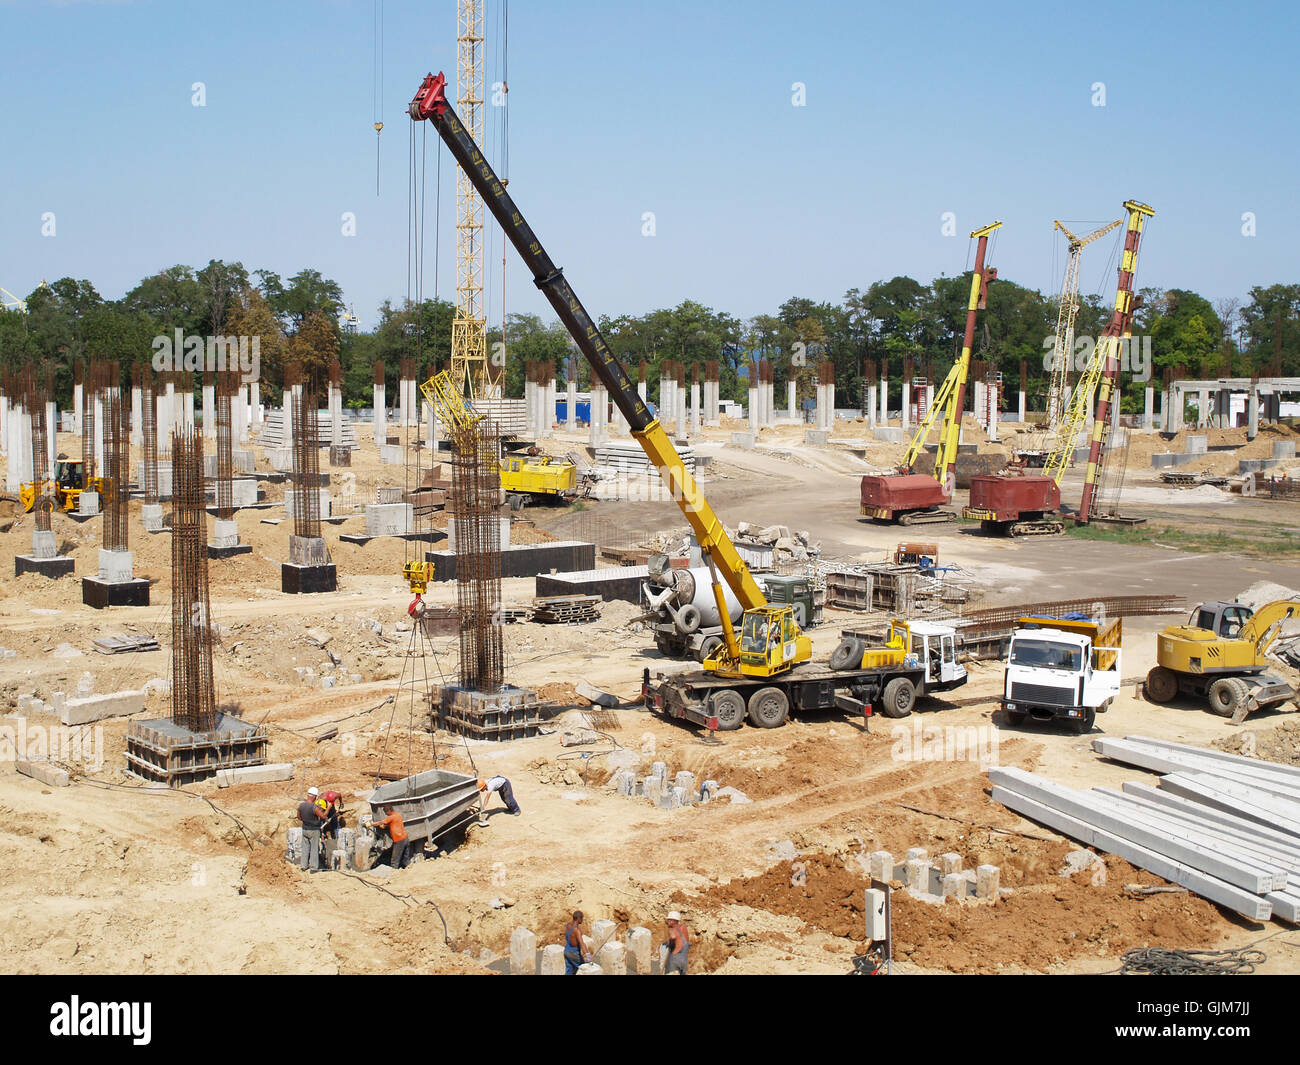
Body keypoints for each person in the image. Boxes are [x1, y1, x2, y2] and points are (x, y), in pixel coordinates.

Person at [296, 787, 326, 873]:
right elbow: (323, 816)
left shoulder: (301, 805)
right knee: (314, 848)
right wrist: (328, 808)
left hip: (305, 829)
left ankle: (303, 866)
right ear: (314, 797)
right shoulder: (314, 807)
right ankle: (313, 868)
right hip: (314, 830)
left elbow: (299, 817)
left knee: (305, 848)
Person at [372, 805, 410, 869]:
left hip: (399, 840)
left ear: (389, 811)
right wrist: (386, 827)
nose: (386, 814)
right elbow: (395, 824)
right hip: (405, 838)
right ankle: (408, 867)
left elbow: (381, 822)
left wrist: (371, 824)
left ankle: (394, 873)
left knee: (394, 860)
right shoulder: (398, 815)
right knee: (405, 857)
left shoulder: (391, 817)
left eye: (386, 813)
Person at [563, 911, 591, 975]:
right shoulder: (577, 931)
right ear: (578, 918)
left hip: (567, 950)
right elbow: (582, 944)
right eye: (582, 918)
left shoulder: (568, 925)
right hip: (574, 953)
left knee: (569, 970)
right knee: (583, 968)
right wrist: (589, 958)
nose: (582, 920)